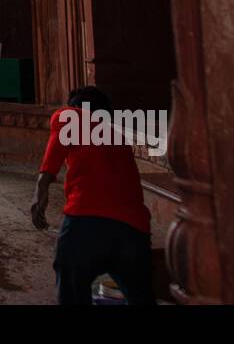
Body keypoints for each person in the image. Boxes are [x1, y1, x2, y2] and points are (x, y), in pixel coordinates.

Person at [31, 86, 155, 305]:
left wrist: (42, 185)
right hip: (134, 231)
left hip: (85, 225)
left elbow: (64, 122)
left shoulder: (71, 116)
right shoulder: (116, 136)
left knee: (72, 294)